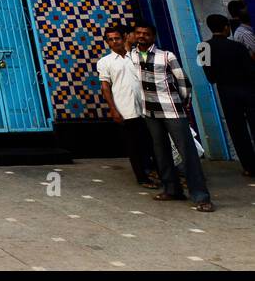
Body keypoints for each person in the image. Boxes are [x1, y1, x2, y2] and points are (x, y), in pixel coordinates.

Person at [132, 25, 213, 212]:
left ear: (153, 36)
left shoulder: (166, 56)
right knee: (160, 151)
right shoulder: (132, 57)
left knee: (187, 152)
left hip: (171, 110)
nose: (142, 37)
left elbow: (183, 81)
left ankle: (201, 195)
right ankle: (172, 189)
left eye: (146, 34)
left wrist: (183, 103)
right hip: (149, 111)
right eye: (139, 33)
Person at [96, 24, 155, 187]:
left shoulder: (136, 57)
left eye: (117, 38)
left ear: (124, 38)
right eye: (111, 40)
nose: (115, 42)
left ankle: (157, 172)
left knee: (152, 142)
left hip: (146, 107)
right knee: (133, 146)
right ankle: (142, 177)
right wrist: (113, 109)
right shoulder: (105, 62)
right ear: (107, 43)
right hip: (125, 109)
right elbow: (105, 87)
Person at [201, 14, 255, 176]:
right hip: (247, 89)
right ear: (226, 27)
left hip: (226, 91)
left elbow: (209, 76)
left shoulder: (202, 47)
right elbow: (251, 70)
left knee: (237, 130)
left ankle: (249, 166)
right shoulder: (238, 46)